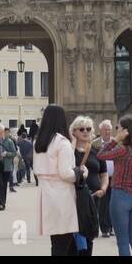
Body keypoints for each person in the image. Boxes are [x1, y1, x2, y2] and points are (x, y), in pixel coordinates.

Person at [33, 105, 86, 256]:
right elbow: (65, 173)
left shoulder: (39, 142)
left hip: (46, 195)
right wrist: (79, 173)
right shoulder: (61, 142)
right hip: (62, 195)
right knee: (64, 244)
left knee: (56, 243)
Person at [98, 115, 132, 256]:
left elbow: (101, 155)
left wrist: (115, 140)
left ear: (125, 131)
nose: (116, 130)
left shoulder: (123, 149)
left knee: (123, 241)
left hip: (120, 195)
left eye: (118, 128)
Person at [70, 116, 108, 256]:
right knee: (76, 234)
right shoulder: (69, 151)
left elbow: (103, 174)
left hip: (93, 198)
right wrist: (72, 145)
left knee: (90, 232)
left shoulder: (96, 152)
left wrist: (103, 188)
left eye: (88, 129)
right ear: (74, 132)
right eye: (81, 129)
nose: (85, 132)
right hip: (76, 199)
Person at [0, 123, 18, 211]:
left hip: (6, 166)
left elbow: (14, 153)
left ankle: (3, 203)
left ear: (2, 132)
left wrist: (6, 154)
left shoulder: (9, 141)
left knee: (4, 185)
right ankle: (0, 204)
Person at [96, 120, 115, 237]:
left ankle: (112, 227)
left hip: (115, 177)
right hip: (102, 178)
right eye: (105, 129)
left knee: (113, 204)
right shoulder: (95, 144)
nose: (107, 131)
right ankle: (105, 228)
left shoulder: (116, 143)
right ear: (100, 131)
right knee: (103, 204)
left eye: (109, 129)